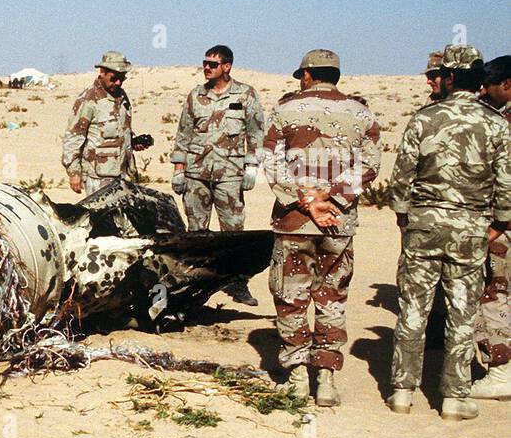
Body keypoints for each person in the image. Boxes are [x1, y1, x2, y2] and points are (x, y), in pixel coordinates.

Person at [387, 45, 511, 419]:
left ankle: (402, 392)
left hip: (425, 225)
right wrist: (497, 225)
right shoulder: (495, 124)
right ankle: (454, 397)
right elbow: (506, 187)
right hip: (471, 230)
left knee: (413, 309)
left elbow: (401, 181)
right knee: (463, 311)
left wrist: (406, 221)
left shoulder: (425, 118)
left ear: (450, 77)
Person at [261, 49, 381, 406]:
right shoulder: (360, 113)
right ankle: (325, 380)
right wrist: (335, 198)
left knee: (290, 296)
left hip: (295, 223)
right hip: (337, 225)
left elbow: (269, 161)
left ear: (308, 75)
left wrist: (307, 200)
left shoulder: (285, 109)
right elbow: (371, 163)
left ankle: (298, 378)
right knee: (332, 298)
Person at [169, 44, 265, 305]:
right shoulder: (195, 95)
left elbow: (256, 134)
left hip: (230, 175)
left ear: (227, 66)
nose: (206, 68)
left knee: (233, 232)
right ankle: (194, 286)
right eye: (205, 63)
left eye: (212, 64)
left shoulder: (246, 94)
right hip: (196, 174)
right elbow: (183, 134)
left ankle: (237, 284)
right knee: (196, 233)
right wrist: (179, 170)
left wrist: (252, 166)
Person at [469, 54, 511, 399]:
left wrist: (498, 224)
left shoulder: (501, 124)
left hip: (504, 227)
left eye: (489, 86)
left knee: (494, 295)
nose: (483, 92)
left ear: (507, 85)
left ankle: (501, 371)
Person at [62, 51, 147, 194]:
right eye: (114, 78)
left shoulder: (121, 96)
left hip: (123, 174)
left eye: (122, 79)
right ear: (102, 72)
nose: (118, 83)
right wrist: (74, 172)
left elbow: (121, 130)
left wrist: (133, 141)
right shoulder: (88, 100)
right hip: (98, 177)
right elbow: (73, 137)